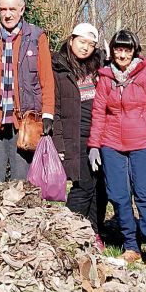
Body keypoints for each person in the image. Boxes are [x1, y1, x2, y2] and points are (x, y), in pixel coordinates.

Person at [88, 30, 146, 273]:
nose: (122, 54)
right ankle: (131, 246)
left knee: (145, 195)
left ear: (134, 50)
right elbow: (98, 113)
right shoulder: (105, 77)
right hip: (112, 144)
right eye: (118, 49)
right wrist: (95, 145)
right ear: (112, 51)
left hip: (144, 143)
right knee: (118, 195)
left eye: (127, 49)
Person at [0, 0, 56, 182]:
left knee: (22, 184)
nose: (8, 14)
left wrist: (47, 114)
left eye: (12, 9)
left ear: (22, 9)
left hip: (26, 122)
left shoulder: (36, 37)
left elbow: (47, 79)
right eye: (3, 9)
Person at [51, 23, 108, 248]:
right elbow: (54, 108)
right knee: (82, 186)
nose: (85, 48)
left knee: (100, 188)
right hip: (75, 136)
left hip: (101, 135)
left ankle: (94, 232)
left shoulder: (100, 66)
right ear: (72, 39)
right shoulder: (58, 66)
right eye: (81, 42)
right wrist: (59, 142)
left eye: (91, 44)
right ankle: (69, 233)